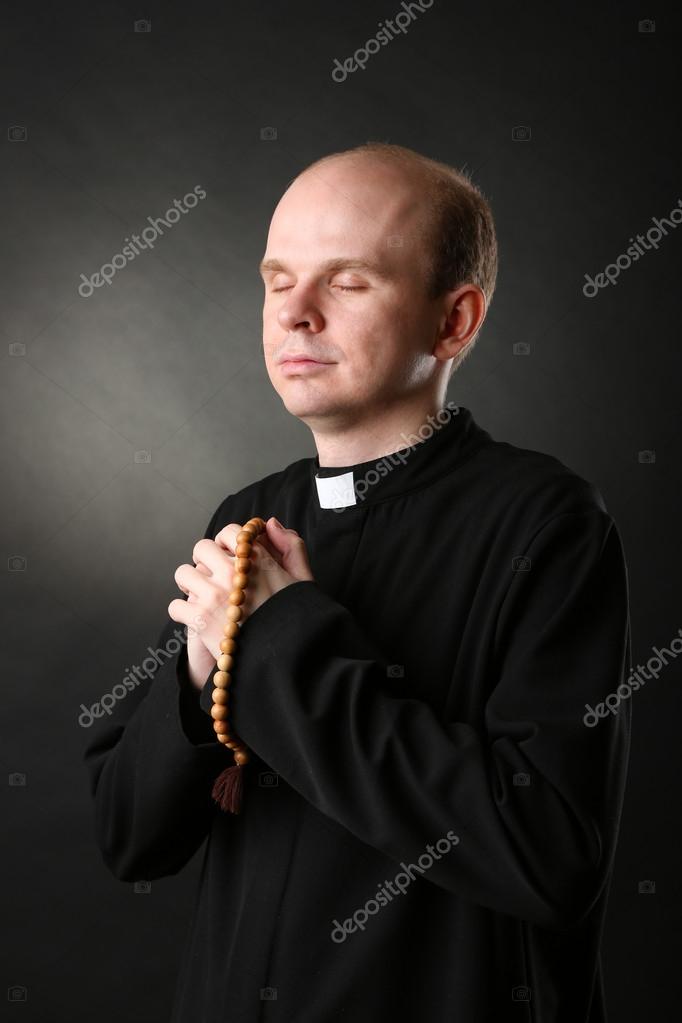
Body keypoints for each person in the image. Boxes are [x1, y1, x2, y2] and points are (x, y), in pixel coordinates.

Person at [84, 142, 631, 1023]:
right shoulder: (249, 513)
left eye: (347, 281)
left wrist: (284, 633)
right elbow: (130, 838)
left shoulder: (547, 522)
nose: (294, 314)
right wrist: (197, 675)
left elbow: (549, 856)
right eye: (277, 279)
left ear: (452, 322)